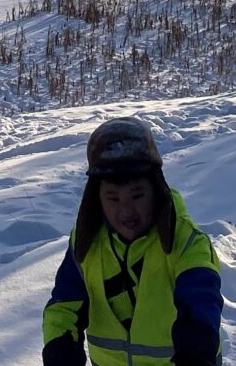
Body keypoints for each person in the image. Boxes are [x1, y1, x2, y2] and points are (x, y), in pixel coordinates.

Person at [40, 117, 222, 366]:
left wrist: (196, 350)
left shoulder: (187, 242)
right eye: (112, 198)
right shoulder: (85, 243)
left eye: (137, 195)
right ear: (96, 197)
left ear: (156, 190)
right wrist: (59, 350)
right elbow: (63, 306)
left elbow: (201, 301)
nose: (126, 212)